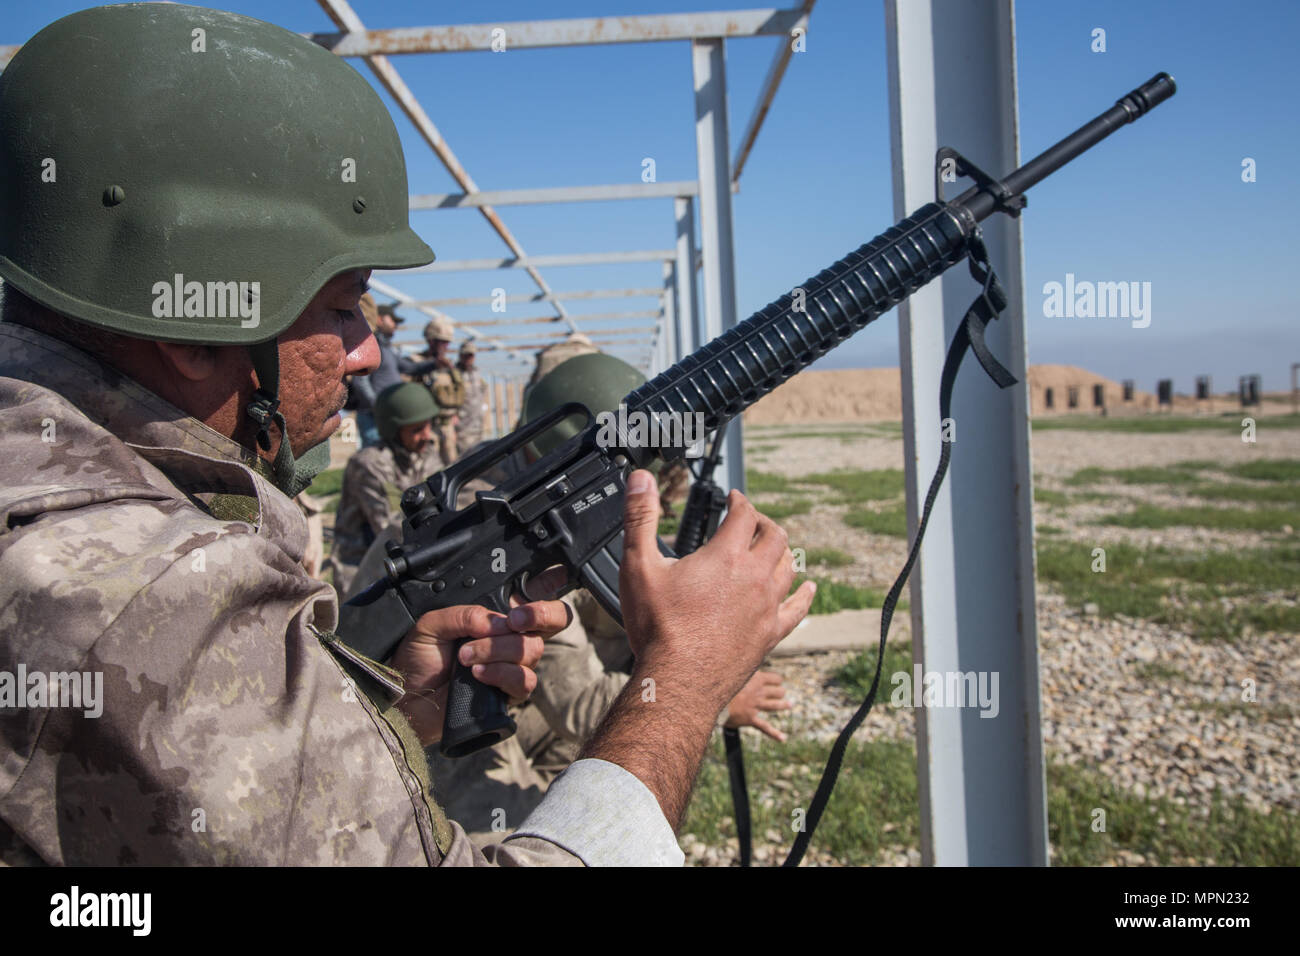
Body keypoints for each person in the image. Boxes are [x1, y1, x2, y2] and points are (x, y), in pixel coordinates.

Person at [0, 3, 814, 867]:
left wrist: (380, 721)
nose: (370, 351)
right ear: (198, 324)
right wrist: (686, 675)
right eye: (344, 303)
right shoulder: (139, 597)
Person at [412, 353, 792, 839]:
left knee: (582, 779)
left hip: (489, 700)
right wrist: (711, 696)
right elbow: (581, 703)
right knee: (555, 837)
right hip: (437, 730)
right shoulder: (513, 525)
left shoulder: (529, 475)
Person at [326, 383, 443, 596]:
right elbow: (393, 528)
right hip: (363, 572)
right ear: (394, 430)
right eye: (416, 429)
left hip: (410, 560)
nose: (427, 435)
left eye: (429, 425)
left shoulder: (426, 454)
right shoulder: (370, 464)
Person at [352, 298, 440, 450]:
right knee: (375, 459)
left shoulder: (387, 349)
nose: (396, 325)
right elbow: (360, 381)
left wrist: (435, 364)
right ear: (379, 319)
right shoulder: (371, 346)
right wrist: (379, 407)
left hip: (388, 417)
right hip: (374, 418)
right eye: (393, 320)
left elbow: (410, 368)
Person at [416, 318, 466, 465]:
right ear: (431, 341)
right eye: (442, 342)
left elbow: (458, 393)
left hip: (447, 427)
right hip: (426, 428)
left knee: (453, 466)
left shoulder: (449, 368)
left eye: (448, 343)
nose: (446, 346)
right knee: (427, 467)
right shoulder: (416, 363)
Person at [455, 340, 489, 450]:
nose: (469, 358)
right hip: (462, 427)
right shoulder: (455, 374)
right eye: (466, 355)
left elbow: (482, 390)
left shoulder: (476, 372)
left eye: (471, 355)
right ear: (460, 355)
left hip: (478, 425)